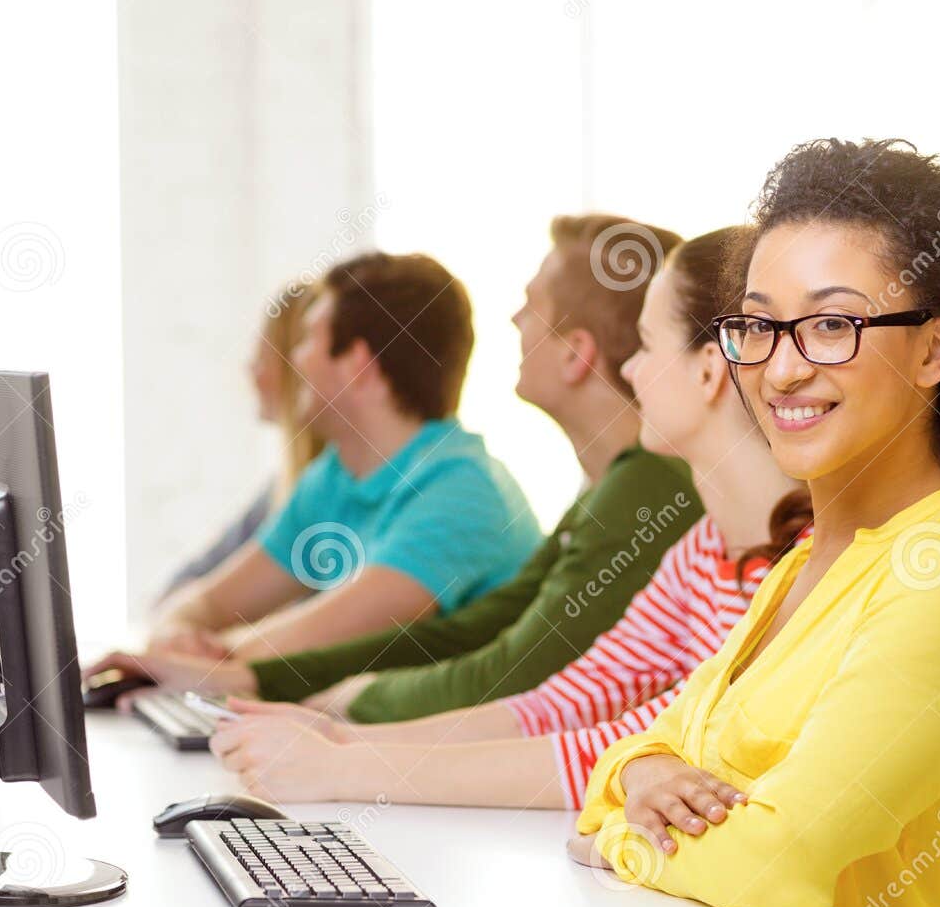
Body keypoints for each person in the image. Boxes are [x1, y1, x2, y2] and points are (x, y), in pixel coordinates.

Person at [570, 138, 940, 907]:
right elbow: (627, 763)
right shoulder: (803, 565)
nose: (780, 371)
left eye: (833, 325)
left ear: (934, 347)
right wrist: (638, 782)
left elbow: (780, 863)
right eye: (759, 327)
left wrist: (618, 842)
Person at [211, 229, 811, 810]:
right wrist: (338, 742)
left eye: (647, 346)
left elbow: (650, 749)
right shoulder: (702, 552)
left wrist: (341, 762)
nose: (630, 370)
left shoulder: (801, 569)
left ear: (708, 370)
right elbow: (568, 702)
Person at [105, 215, 704, 716]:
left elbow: (508, 675)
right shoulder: (605, 491)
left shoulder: (510, 492)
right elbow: (470, 640)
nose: (515, 323)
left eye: (530, 307)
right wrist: (232, 674)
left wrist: (336, 706)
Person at [87, 250, 540, 682]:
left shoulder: (463, 493)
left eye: (308, 338)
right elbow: (201, 601)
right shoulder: (334, 477)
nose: (295, 358)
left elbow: (297, 646)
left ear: (357, 365)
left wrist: (190, 655)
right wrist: (176, 633)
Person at [157, 283, 324, 599]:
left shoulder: (329, 494)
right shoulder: (280, 492)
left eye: (263, 356)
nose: (251, 371)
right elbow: (181, 588)